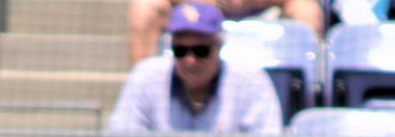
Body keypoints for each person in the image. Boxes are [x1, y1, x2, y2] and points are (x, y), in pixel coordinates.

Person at [101, 1, 293, 137]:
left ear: (218, 47)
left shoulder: (251, 81)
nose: (190, 60)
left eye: (200, 51)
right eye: (181, 50)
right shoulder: (146, 75)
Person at [127, 0, 323, 67]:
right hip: (197, 11)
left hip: (262, 8)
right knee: (145, 7)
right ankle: (144, 87)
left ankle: (311, 98)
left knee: (307, 10)